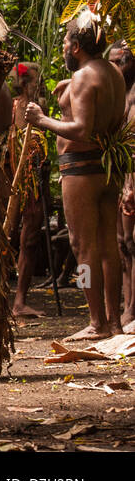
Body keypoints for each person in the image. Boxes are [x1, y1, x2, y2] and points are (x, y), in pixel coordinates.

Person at [26, 16, 127, 340]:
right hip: (107, 167)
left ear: (77, 47)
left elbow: (81, 128)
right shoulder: (112, 73)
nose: (65, 49)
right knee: (108, 245)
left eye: (67, 44)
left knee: (81, 246)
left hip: (81, 170)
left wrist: (43, 120)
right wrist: (71, 86)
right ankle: (114, 322)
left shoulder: (84, 76)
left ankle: (96, 322)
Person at [5, 62, 45, 318]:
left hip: (33, 180)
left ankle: (20, 301)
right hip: (10, 179)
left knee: (30, 239)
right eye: (31, 79)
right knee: (4, 234)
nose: (36, 83)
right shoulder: (10, 106)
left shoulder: (39, 109)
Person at [106, 41, 135, 330]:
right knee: (121, 246)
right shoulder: (117, 93)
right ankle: (126, 307)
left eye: (122, 61)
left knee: (131, 243)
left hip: (131, 178)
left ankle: (131, 309)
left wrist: (130, 185)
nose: (116, 67)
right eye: (112, 61)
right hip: (117, 175)